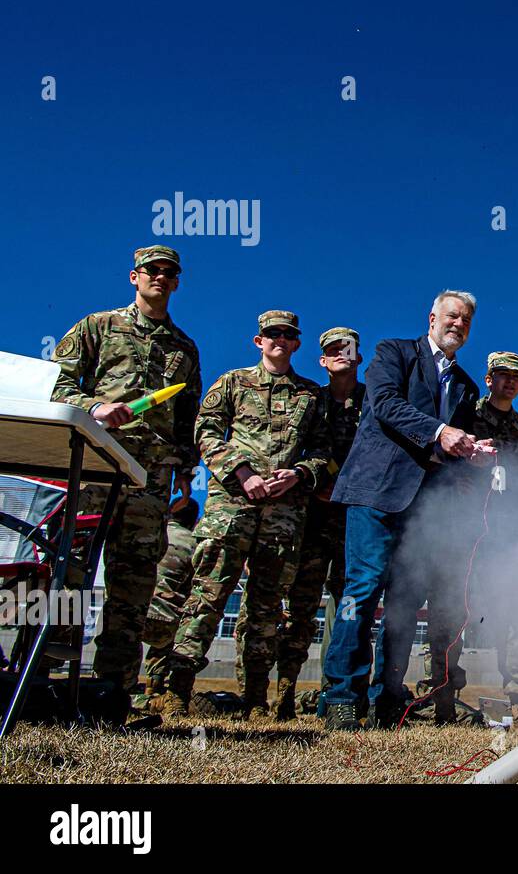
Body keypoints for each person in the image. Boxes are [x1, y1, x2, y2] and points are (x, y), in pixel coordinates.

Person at [320, 291, 489, 731]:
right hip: (377, 493)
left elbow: (455, 442)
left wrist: (473, 451)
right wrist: (440, 431)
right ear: (433, 317)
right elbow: (386, 405)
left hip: (425, 507)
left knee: (405, 601)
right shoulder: (392, 352)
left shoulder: (467, 387)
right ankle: (342, 696)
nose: (458, 324)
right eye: (452, 316)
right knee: (363, 588)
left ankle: (388, 698)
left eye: (466, 320)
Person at [155, 311, 332, 719]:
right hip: (231, 507)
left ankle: (254, 697)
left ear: (297, 344)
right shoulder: (232, 383)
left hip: (283, 514)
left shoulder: (310, 395)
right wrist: (242, 472)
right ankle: (177, 689)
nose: (280, 341)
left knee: (266, 608)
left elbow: (325, 451)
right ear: (259, 341)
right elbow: (207, 432)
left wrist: (300, 473)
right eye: (272, 335)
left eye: (288, 336)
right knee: (208, 595)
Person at [50, 244, 202, 691]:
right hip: (93, 466)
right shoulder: (98, 326)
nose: (159, 277)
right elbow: (56, 385)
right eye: (151, 270)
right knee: (70, 569)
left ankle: (112, 689)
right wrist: (96, 406)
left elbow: (187, 419)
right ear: (134, 276)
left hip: (149, 480)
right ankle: (46, 676)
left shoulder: (184, 349)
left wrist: (186, 476)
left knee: (134, 583)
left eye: (168, 272)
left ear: (176, 282)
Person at [232, 326, 366, 718]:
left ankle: (337, 697)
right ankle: (278, 695)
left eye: (349, 348)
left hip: (352, 520)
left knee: (349, 607)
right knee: (298, 608)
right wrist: (314, 482)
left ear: (359, 357)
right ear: (322, 359)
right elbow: (294, 451)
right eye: (332, 349)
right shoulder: (308, 399)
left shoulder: (374, 401)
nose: (341, 353)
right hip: (307, 517)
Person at [460, 351, 518, 729]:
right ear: (489, 379)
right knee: (454, 611)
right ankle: (442, 696)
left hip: (508, 533)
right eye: (503, 375)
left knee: (515, 616)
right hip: (463, 530)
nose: (511, 382)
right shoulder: (465, 416)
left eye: (517, 377)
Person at [139, 496, 200, 697]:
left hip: (129, 614)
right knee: (177, 624)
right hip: (162, 623)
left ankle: (110, 684)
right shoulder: (194, 544)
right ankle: (154, 686)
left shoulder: (149, 532)